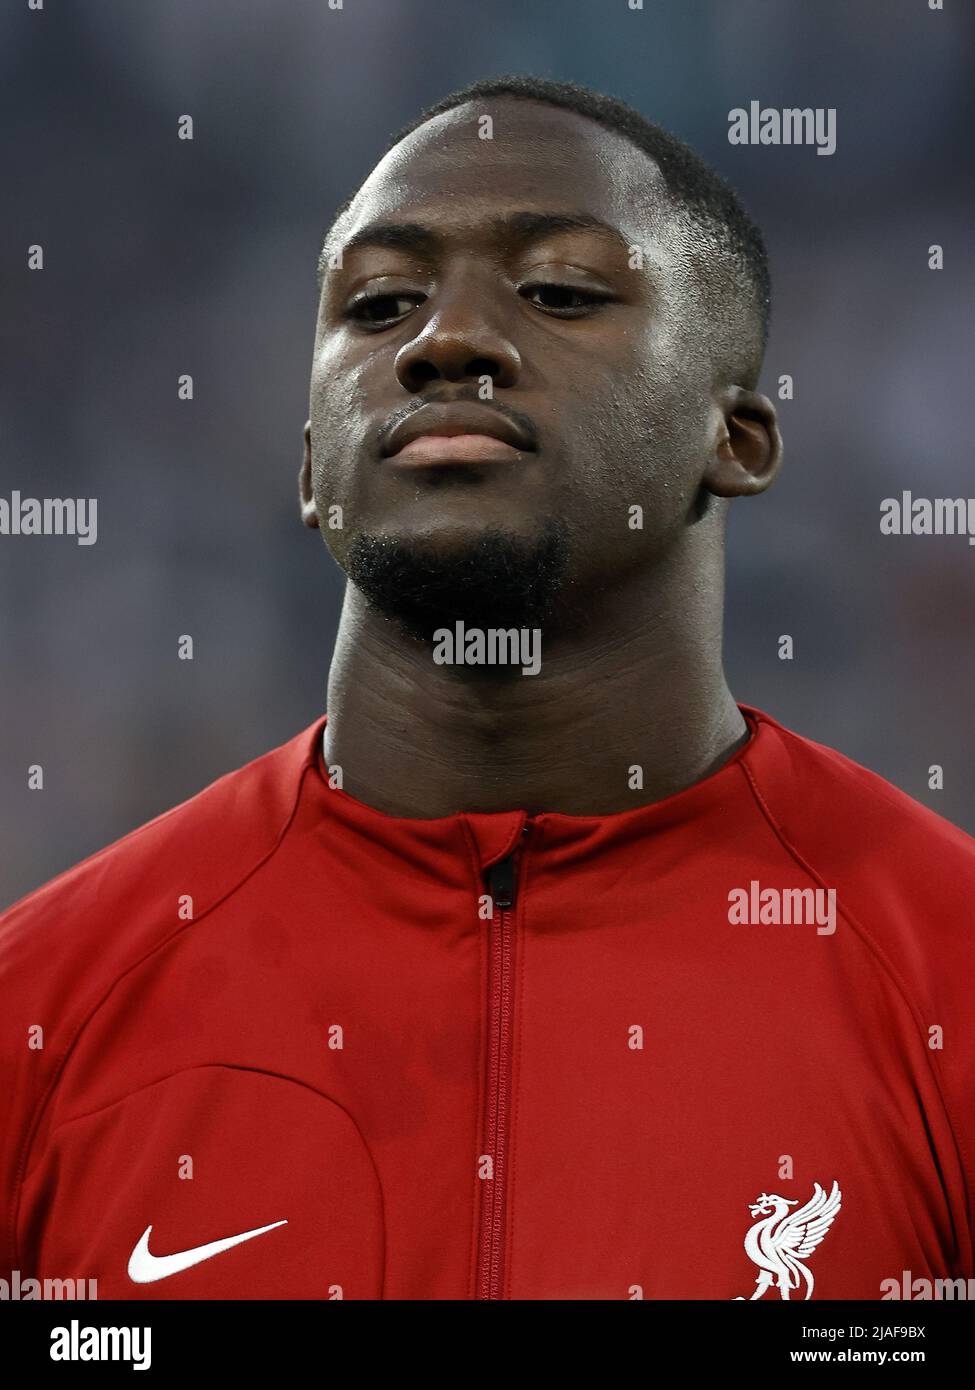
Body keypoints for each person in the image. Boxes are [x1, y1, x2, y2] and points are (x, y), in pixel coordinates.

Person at [2, 76, 972, 1302]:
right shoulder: (38, 1013)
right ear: (311, 466)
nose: (441, 340)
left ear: (736, 438)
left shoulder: (949, 982)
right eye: (380, 302)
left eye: (559, 290)